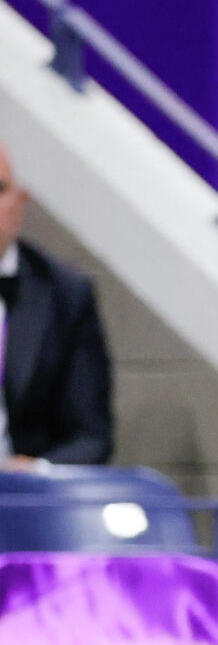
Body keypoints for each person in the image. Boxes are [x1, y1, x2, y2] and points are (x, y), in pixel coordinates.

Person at [0, 139, 113, 470]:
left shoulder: (65, 295)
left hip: (24, 493)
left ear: (20, 202)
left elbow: (91, 437)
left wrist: (36, 471)